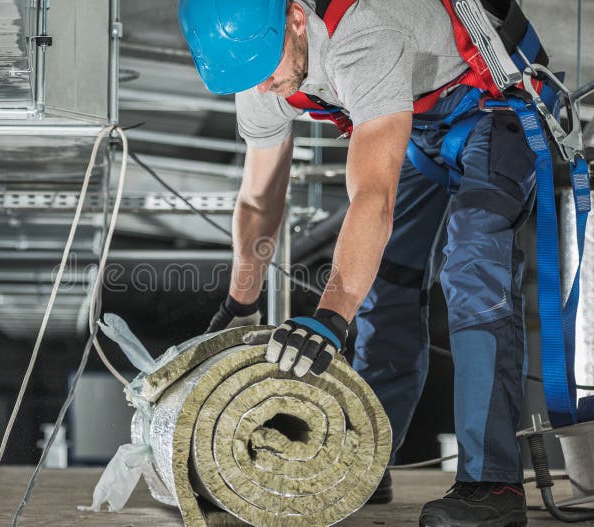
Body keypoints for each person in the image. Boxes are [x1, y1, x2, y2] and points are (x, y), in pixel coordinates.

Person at [180, 0, 537, 526]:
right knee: (385, 286)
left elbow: (373, 196)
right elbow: (258, 202)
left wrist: (328, 318)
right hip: (414, 121)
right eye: (248, 79)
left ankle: (494, 484)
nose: (262, 89)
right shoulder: (260, 70)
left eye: (265, 71)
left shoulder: (362, 34)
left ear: (296, 19)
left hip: (490, 106)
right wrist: (242, 302)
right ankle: (366, 461)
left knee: (473, 264)